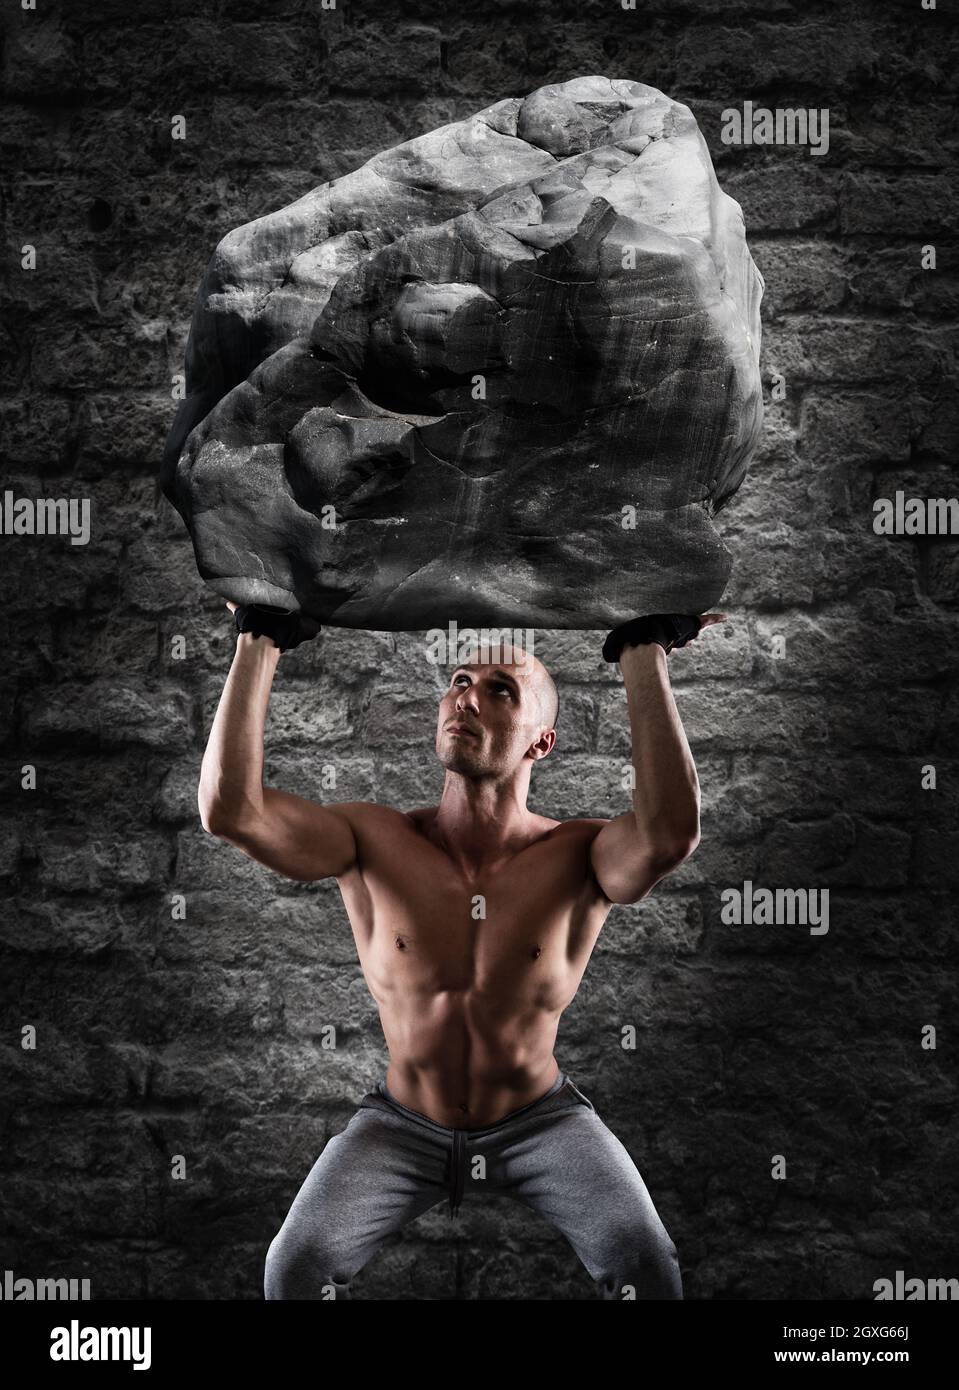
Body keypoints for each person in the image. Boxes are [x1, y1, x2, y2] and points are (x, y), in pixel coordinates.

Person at [198, 604, 725, 1299]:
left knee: (644, 1262)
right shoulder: (370, 840)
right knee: (293, 1265)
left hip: (540, 1121)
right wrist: (259, 637)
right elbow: (230, 811)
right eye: (459, 680)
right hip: (401, 1123)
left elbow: (668, 835)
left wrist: (642, 650)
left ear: (542, 741)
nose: (466, 697)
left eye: (500, 690)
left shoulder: (581, 854)